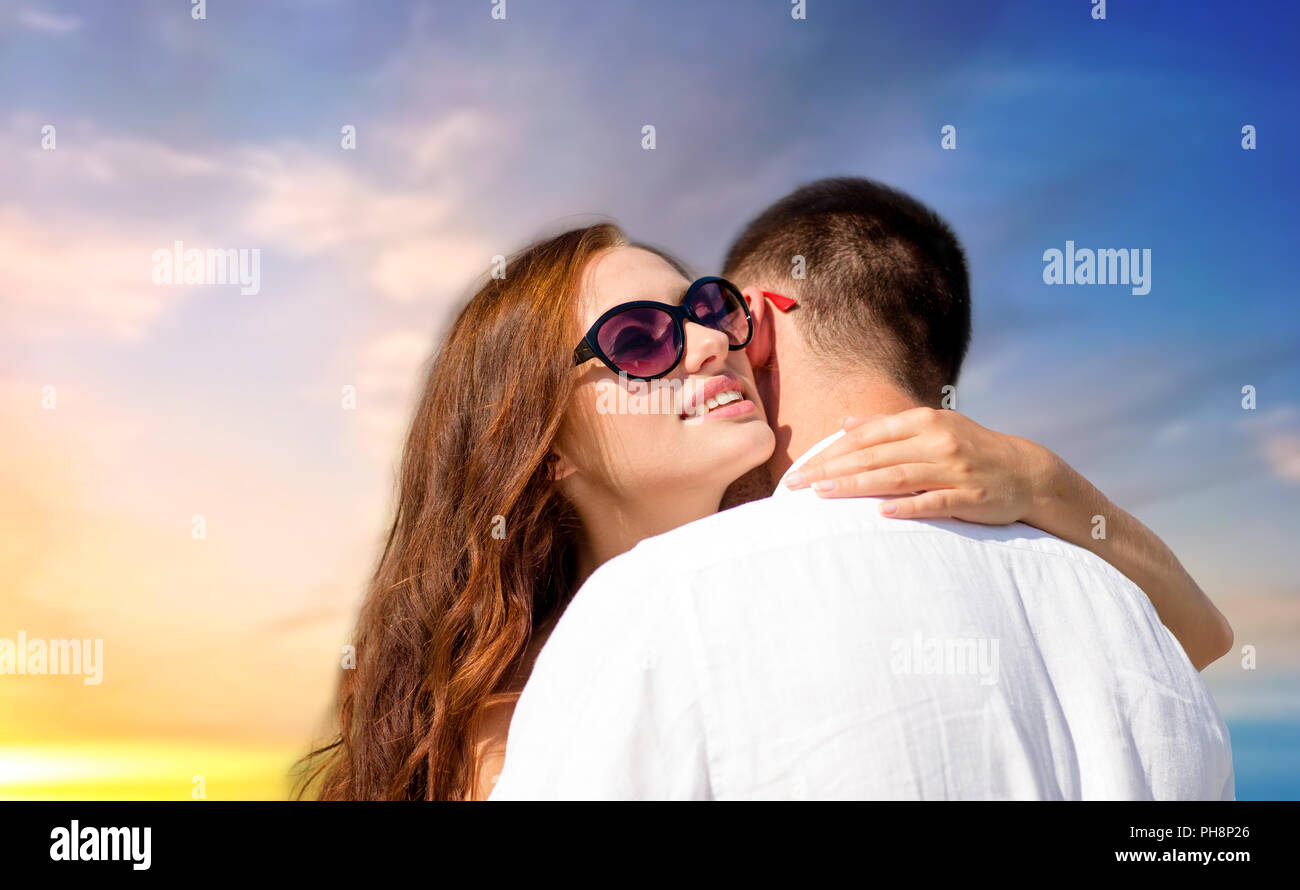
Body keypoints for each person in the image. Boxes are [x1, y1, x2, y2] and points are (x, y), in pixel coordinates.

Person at [299, 198, 1227, 801]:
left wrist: (1041, 480)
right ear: (540, 450)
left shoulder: (729, 588)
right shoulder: (512, 719)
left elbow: (1191, 639)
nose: (706, 342)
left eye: (706, 308)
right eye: (638, 338)